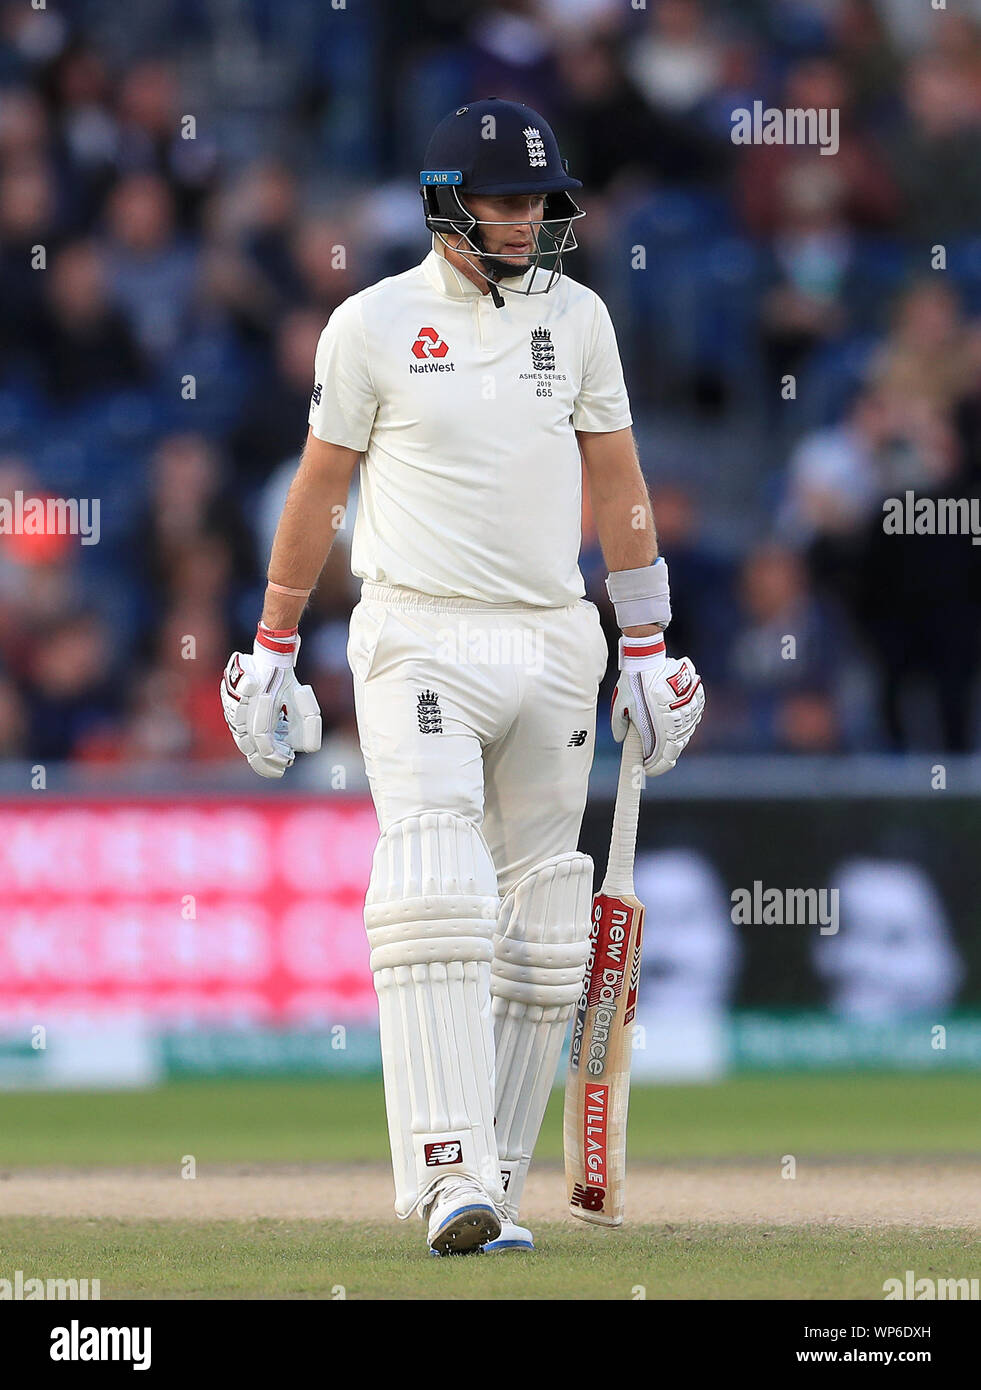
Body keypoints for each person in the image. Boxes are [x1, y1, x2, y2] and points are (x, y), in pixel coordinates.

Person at [220, 98, 704, 1256]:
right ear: (447, 202)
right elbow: (318, 492)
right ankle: (442, 1174)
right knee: (435, 881)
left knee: (544, 927)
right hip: (419, 632)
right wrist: (274, 644)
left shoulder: (580, 320)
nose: (527, 219)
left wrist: (649, 643)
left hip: (551, 637)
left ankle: (492, 1188)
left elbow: (621, 481)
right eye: (503, 199)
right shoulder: (372, 324)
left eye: (539, 199)